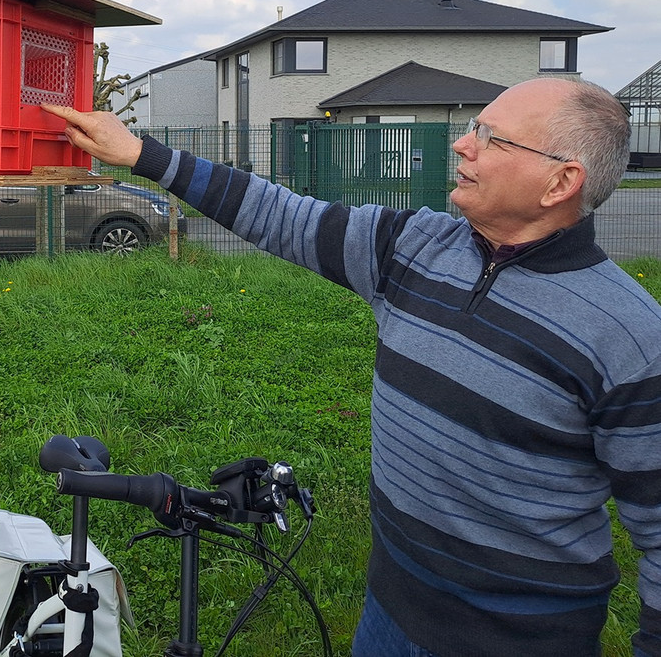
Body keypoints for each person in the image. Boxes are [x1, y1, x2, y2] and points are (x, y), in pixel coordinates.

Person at [43, 77, 661, 657]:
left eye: (491, 137)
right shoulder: (414, 247)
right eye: (474, 127)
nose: (462, 144)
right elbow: (279, 214)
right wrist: (143, 154)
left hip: (519, 636)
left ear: (560, 183)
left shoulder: (627, 334)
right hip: (392, 604)